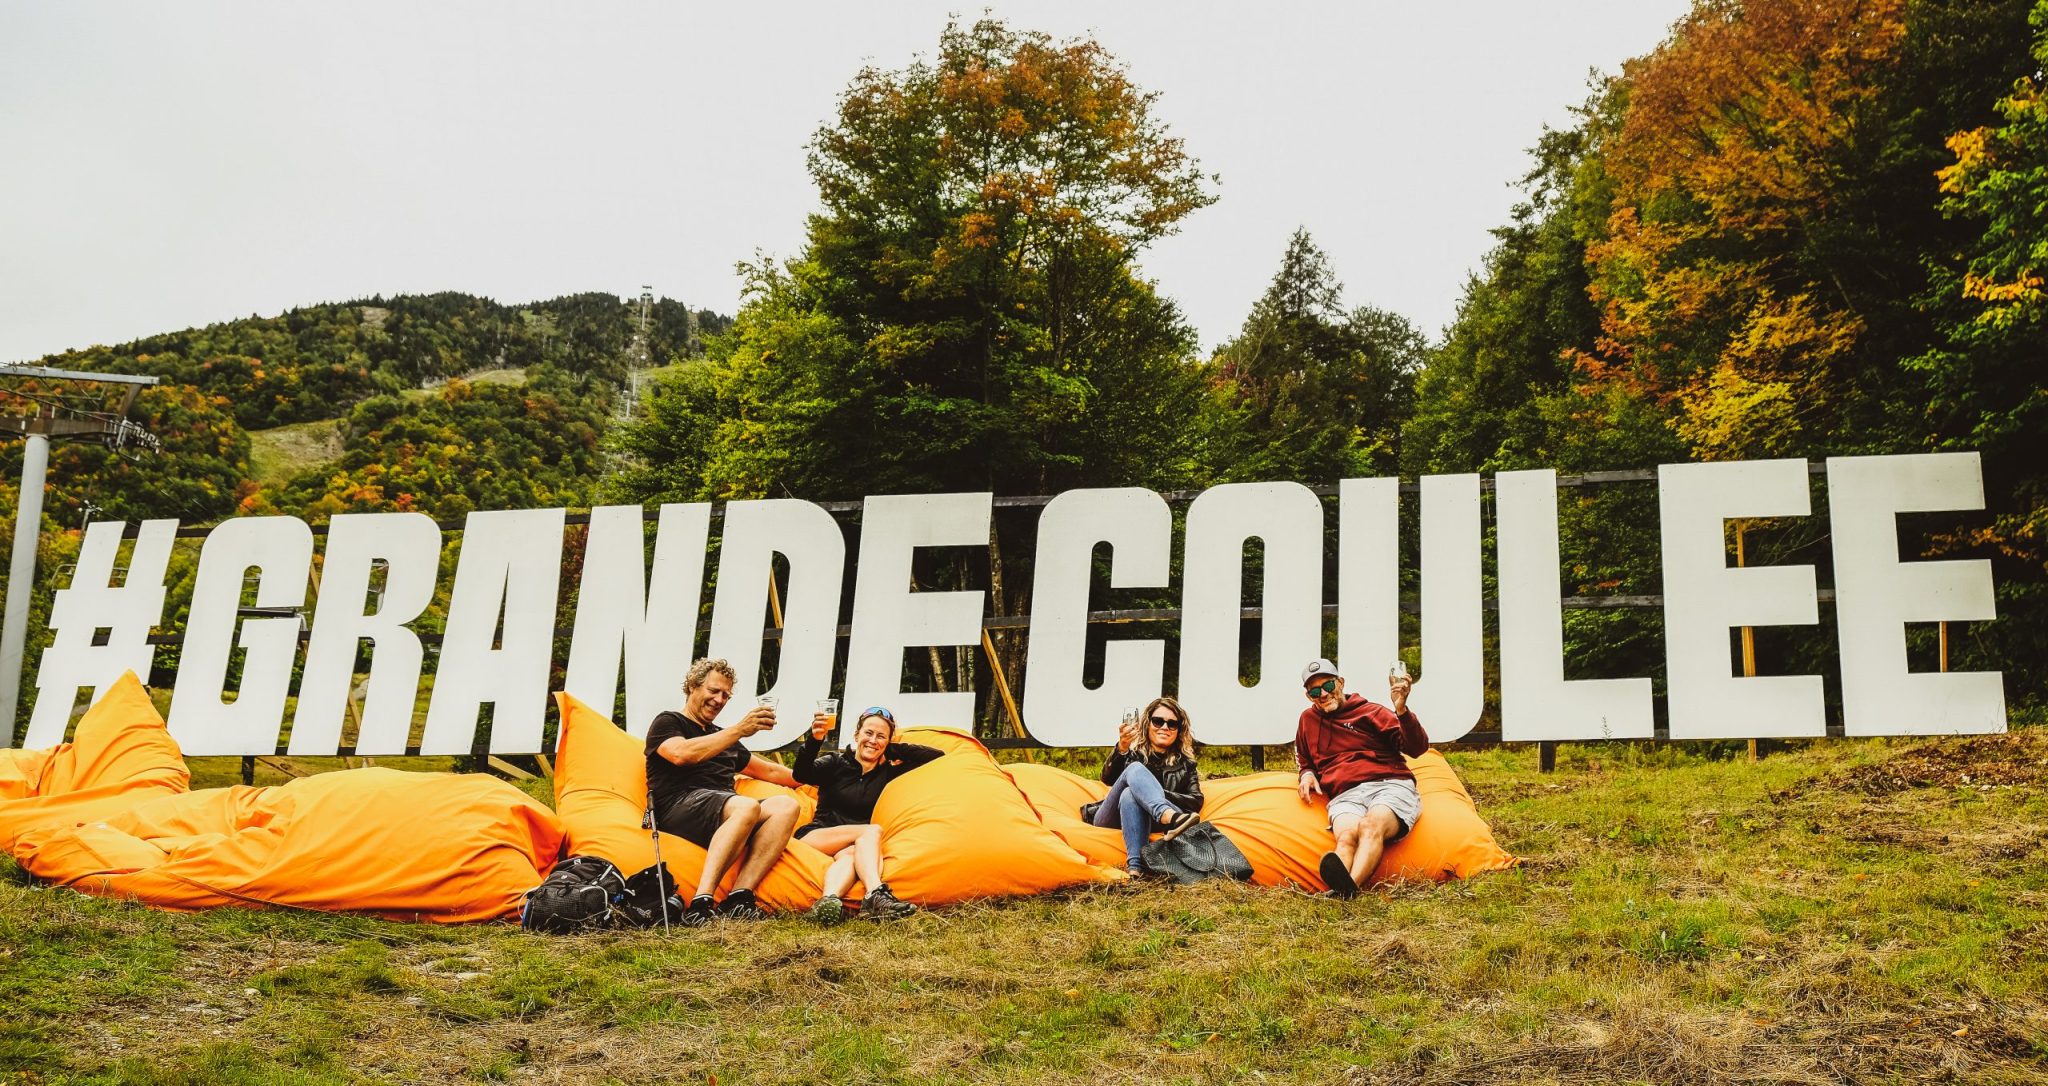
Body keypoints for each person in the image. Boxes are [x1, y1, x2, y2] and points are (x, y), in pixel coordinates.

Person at [645, 658, 804, 925]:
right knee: (746, 806)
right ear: (693, 686)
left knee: (786, 806)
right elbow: (680, 754)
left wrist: (818, 777)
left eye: (726, 696)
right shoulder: (668, 721)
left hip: (725, 810)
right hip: (679, 806)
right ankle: (701, 903)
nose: (719, 700)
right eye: (714, 691)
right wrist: (739, 730)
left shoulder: (723, 736)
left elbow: (770, 771)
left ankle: (739, 898)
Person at [1294, 658, 1430, 899]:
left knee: (1370, 826)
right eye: (1315, 692)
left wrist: (1401, 711)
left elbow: (1417, 748)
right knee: (1346, 838)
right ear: (1308, 696)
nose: (1323, 694)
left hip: (1388, 784)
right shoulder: (1308, 720)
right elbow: (1304, 758)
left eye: (1328, 686)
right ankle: (1340, 885)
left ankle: (1349, 889)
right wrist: (1306, 774)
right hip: (1345, 794)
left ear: (1341, 682)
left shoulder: (1371, 712)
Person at [792, 705, 941, 923]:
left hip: (853, 847)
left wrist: (892, 749)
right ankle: (875, 894)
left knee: (851, 856)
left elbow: (936, 757)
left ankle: (827, 902)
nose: (873, 740)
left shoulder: (889, 774)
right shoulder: (835, 762)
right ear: (856, 735)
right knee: (871, 831)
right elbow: (801, 774)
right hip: (818, 835)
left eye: (881, 736)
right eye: (868, 733)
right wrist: (815, 740)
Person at [1087, 696, 1203, 878]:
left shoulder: (1186, 764)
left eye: (1172, 724)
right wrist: (1122, 747)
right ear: (1147, 725)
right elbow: (1107, 779)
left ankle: (1135, 868)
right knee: (1134, 770)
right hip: (1112, 817)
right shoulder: (1133, 755)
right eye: (1158, 721)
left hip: (1156, 822)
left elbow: (1196, 801)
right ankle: (1167, 814)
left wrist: (1151, 794)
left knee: (1130, 794)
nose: (1164, 727)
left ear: (1179, 730)